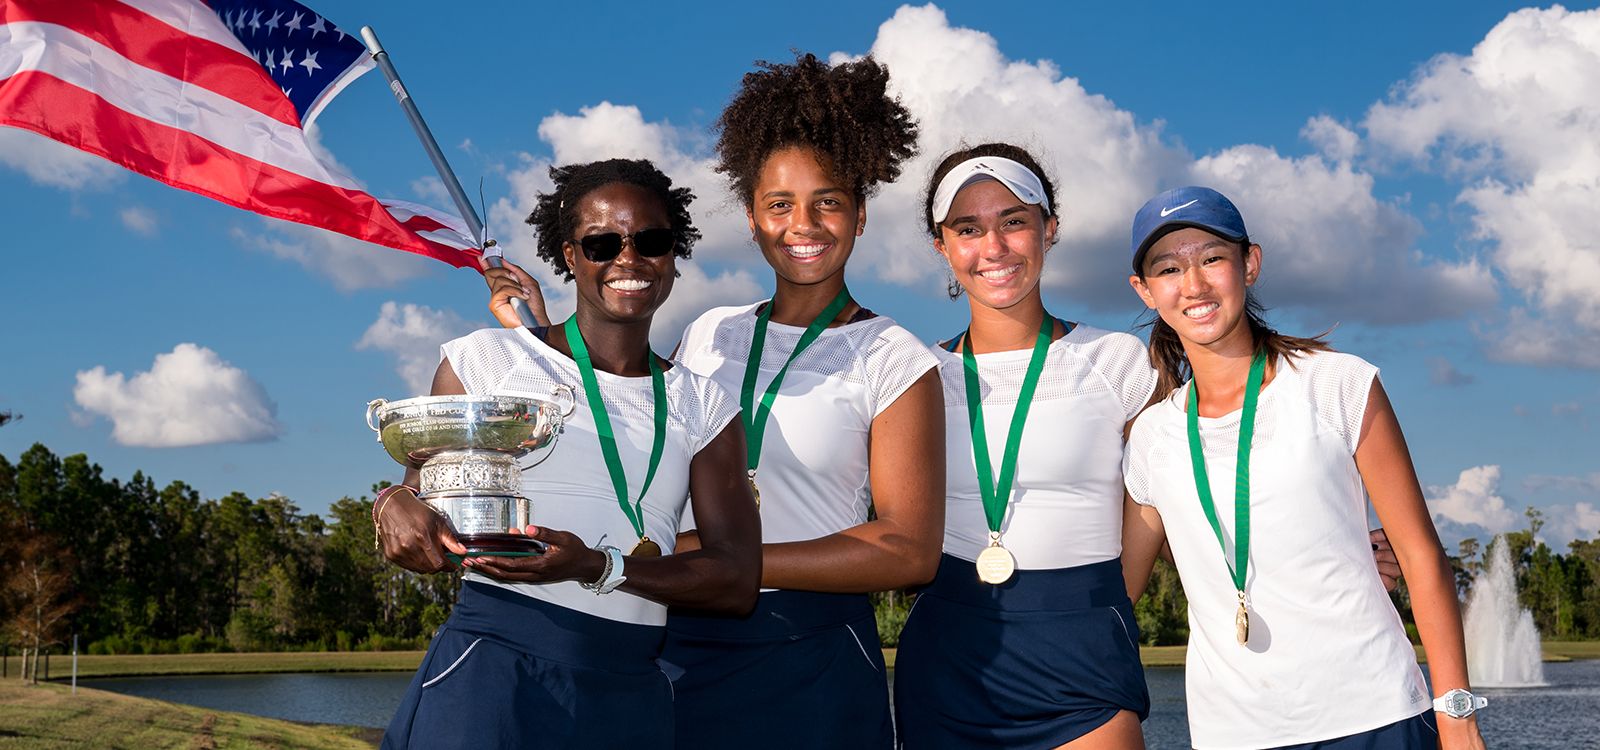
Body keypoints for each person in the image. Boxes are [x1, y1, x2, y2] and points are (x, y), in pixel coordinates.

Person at [486, 53, 944, 749]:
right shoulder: (711, 332)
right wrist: (548, 333)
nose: (805, 224)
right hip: (676, 644)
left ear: (859, 214)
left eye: (829, 201)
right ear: (753, 219)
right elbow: (629, 409)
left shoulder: (895, 356)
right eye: (779, 204)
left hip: (812, 656)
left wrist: (729, 561)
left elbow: (909, 551)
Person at [374, 158, 761, 749]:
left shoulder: (704, 405)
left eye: (651, 240)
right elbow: (417, 494)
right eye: (602, 243)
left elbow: (736, 580)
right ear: (570, 256)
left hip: (630, 691)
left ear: (674, 256)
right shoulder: (488, 362)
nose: (628, 260)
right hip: (491, 673)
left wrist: (595, 567)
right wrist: (392, 504)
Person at [1120, 186, 1488, 749]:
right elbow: (1125, 581)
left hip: (1374, 714)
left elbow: (1420, 554)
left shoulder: (1337, 383)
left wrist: (1456, 716)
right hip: (1233, 733)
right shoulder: (1151, 436)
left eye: (1213, 258)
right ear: (1145, 291)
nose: (1193, 285)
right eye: (1169, 268)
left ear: (1251, 263)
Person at [891, 143, 1154, 749]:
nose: (994, 247)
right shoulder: (913, 375)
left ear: (1049, 229)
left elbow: (1175, 498)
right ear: (943, 247)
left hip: (1084, 649)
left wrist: (1102, 608)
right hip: (949, 657)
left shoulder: (1117, 361)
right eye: (968, 228)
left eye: (1014, 221)